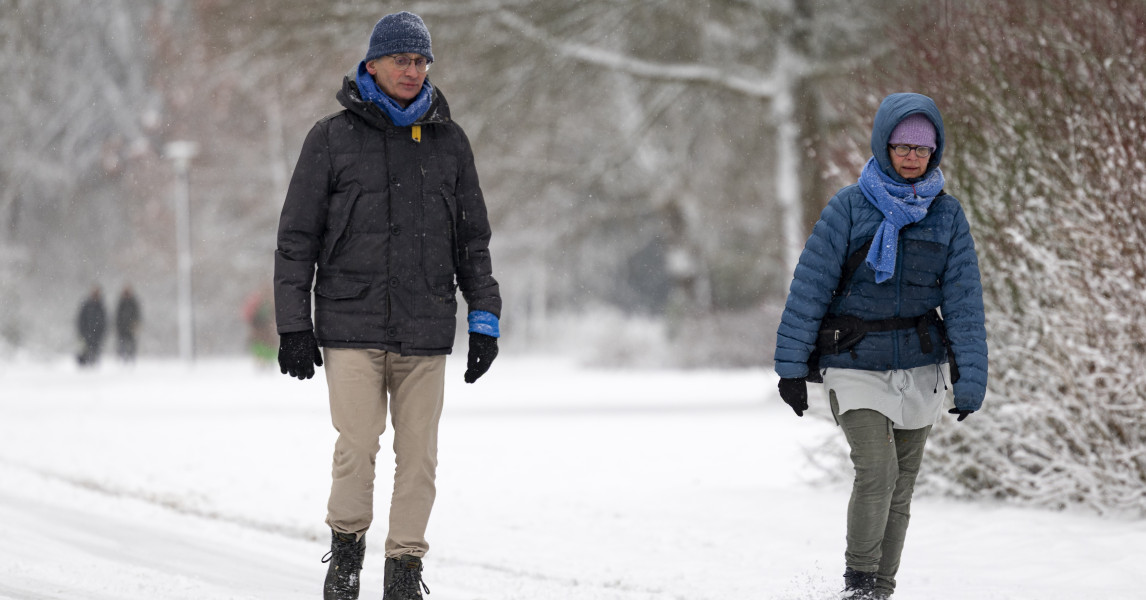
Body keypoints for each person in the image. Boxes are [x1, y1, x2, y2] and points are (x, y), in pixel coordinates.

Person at [273, 11, 501, 600]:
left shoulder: (450, 142)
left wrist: (484, 318)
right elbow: (298, 237)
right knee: (356, 447)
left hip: (425, 326)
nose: (412, 69)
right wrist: (293, 325)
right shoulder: (330, 137)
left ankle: (403, 570)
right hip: (350, 324)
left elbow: (472, 240)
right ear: (371, 63)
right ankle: (346, 554)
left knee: (420, 457)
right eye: (401, 58)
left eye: (421, 60)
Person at [773, 93, 987, 599]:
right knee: (878, 470)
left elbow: (964, 299)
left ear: (934, 153)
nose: (912, 156)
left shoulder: (947, 215)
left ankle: (881, 589)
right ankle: (859, 584)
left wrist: (970, 377)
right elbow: (810, 288)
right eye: (902, 146)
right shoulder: (849, 208)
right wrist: (790, 366)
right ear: (883, 145)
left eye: (923, 148)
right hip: (854, 361)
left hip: (919, 365)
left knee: (902, 486)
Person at [76, 285, 107, 366]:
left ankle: (93, 364)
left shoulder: (101, 306)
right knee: (86, 349)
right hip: (87, 333)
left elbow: (104, 321)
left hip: (97, 334)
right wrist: (82, 331)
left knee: (95, 350)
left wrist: (102, 332)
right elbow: (81, 320)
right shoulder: (86, 306)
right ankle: (85, 363)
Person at [114, 285, 142, 362]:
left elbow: (137, 315)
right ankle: (122, 358)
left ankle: (131, 358)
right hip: (122, 328)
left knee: (131, 345)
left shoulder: (133, 303)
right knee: (122, 345)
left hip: (131, 328)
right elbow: (117, 316)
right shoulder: (121, 303)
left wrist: (134, 325)